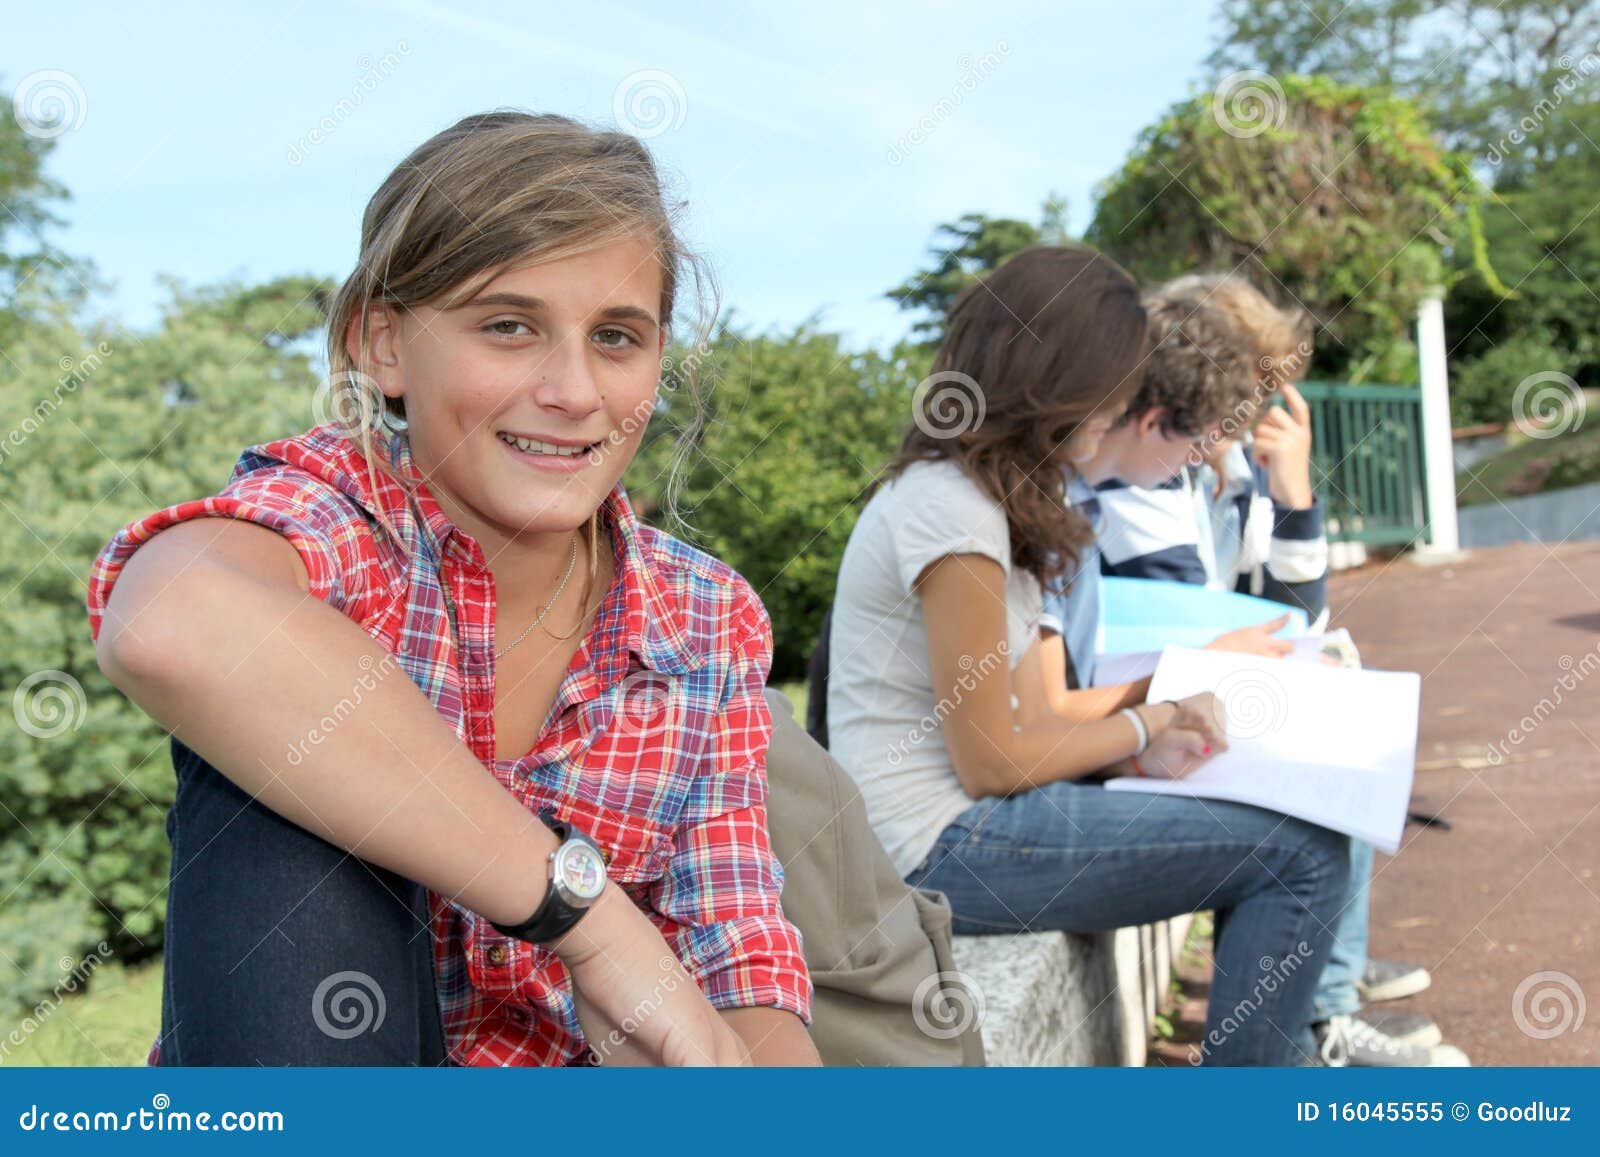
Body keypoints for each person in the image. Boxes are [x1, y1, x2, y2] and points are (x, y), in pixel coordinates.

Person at [87, 111, 817, 1067]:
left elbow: (740, 956)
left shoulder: (706, 619)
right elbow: (173, 625)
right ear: (381, 344)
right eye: (508, 326)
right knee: (268, 776)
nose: (573, 390)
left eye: (617, 337)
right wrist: (591, 920)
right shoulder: (344, 527)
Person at [826, 244, 1350, 1066]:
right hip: (935, 847)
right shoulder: (951, 510)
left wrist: (1160, 710)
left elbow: (1039, 715)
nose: (1119, 409)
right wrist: (1149, 724)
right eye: (1110, 387)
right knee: (1299, 855)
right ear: (1055, 383)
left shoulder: (997, 500)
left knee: (1303, 835)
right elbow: (994, 760)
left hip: (961, 828)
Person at [1079, 273, 1463, 1066]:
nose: (1258, 405)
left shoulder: (1217, 467)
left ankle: (1327, 991)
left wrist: (1294, 496)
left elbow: (1292, 616)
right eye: (1250, 384)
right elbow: (1196, 632)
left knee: (1336, 697)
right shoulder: (1141, 469)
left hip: (1168, 696)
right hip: (1124, 713)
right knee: (1323, 739)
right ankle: (1319, 1016)